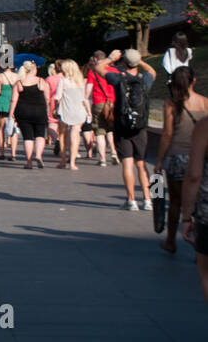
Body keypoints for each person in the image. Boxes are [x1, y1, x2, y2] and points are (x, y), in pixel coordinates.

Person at [157, 66, 207, 254]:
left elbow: (167, 134)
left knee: (176, 202)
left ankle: (171, 241)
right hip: (200, 158)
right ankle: (200, 246)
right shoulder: (205, 103)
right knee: (198, 203)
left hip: (177, 157)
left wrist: (160, 160)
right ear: (194, 81)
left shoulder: (171, 104)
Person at [108, 48, 156, 211]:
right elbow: (152, 71)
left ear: (124, 62)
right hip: (140, 127)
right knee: (141, 164)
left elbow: (99, 69)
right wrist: (139, 60)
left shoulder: (118, 78)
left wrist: (111, 58)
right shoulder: (145, 80)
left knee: (127, 164)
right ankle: (148, 199)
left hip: (122, 126)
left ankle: (131, 200)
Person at [181, 112, 208, 303]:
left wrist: (187, 216)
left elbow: (194, 175)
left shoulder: (204, 126)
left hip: (207, 212)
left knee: (206, 273)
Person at [10, 60, 49, 169]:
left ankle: (29, 162)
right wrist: (49, 111)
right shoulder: (41, 81)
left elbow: (13, 100)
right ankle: (38, 155)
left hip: (23, 112)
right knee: (40, 135)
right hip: (40, 110)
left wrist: (11, 114)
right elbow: (47, 98)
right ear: (34, 69)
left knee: (27, 137)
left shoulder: (19, 83)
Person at [54, 59, 91, 171]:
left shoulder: (63, 81)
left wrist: (55, 108)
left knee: (62, 135)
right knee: (75, 136)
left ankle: (63, 160)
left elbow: (57, 97)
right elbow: (85, 99)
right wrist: (89, 112)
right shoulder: (80, 81)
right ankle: (73, 162)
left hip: (65, 110)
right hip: (79, 111)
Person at [85, 51, 118, 166]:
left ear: (95, 59)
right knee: (111, 130)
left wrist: (86, 105)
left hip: (99, 103)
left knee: (99, 131)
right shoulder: (115, 71)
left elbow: (88, 92)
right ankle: (114, 153)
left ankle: (103, 159)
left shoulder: (93, 72)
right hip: (113, 103)